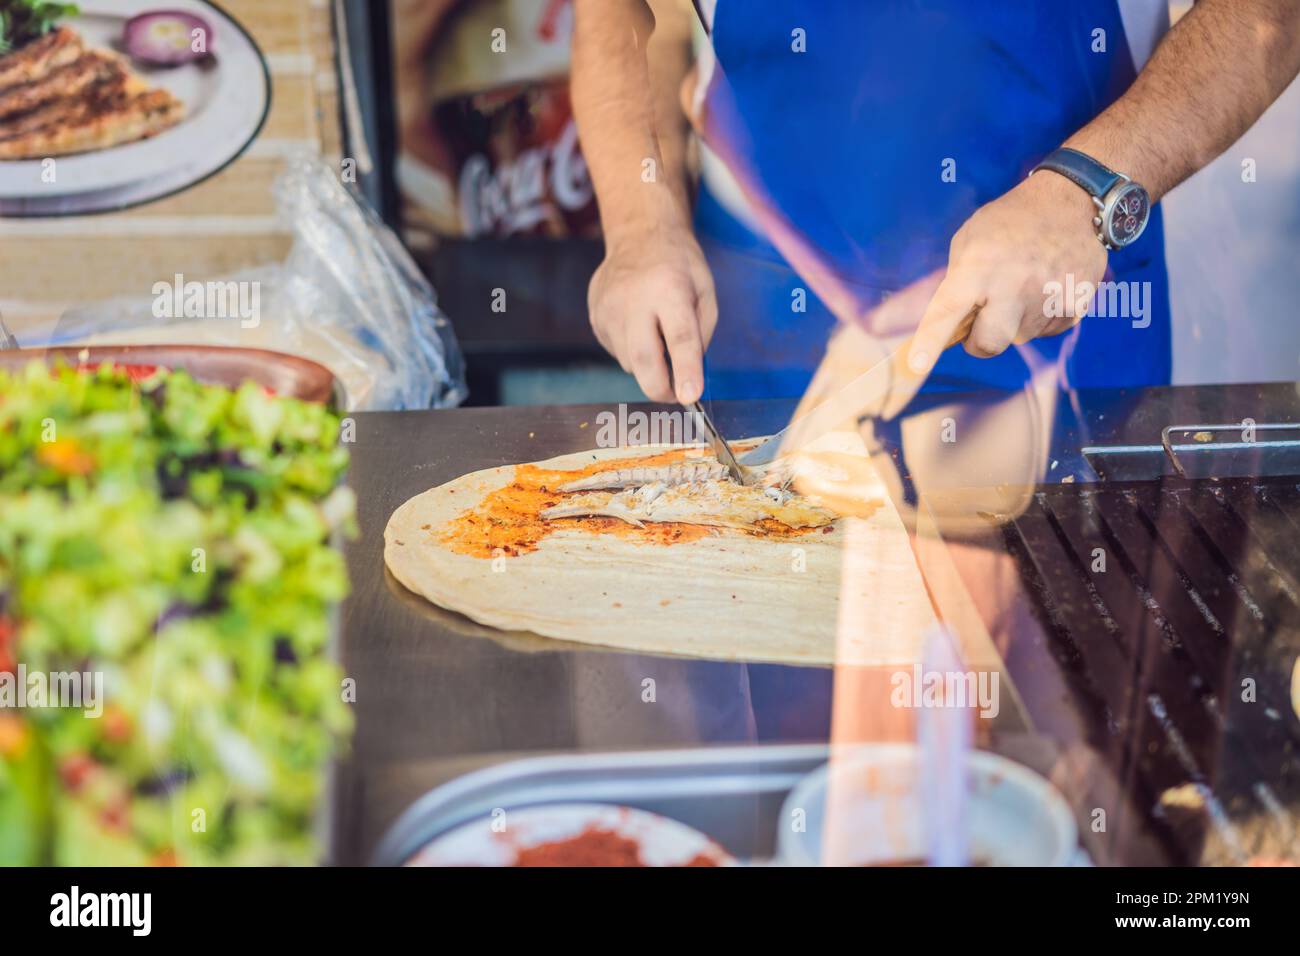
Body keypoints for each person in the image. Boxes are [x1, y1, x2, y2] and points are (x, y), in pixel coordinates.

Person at [571, 0, 1300, 407]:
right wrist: (639, 225)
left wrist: (1088, 188)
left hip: (1055, 339)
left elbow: (1269, 16)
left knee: (1053, 664)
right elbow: (631, 17)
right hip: (765, 345)